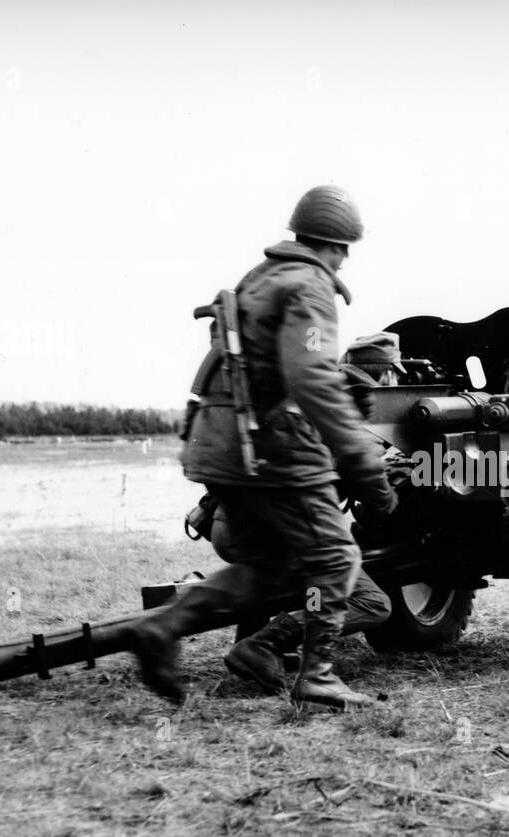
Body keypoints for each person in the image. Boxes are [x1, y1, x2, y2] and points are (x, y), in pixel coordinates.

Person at [129, 185, 397, 709]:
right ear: (337, 244)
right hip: (271, 450)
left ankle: (162, 627)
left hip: (219, 447)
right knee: (337, 558)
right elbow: (313, 380)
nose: (344, 259)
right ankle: (317, 677)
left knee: (268, 571)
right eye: (344, 249)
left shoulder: (261, 279)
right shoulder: (309, 286)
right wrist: (368, 467)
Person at [217, 331, 407, 694]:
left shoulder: (311, 393)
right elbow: (375, 504)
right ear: (385, 374)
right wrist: (389, 476)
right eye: (395, 375)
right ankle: (264, 643)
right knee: (372, 604)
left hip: (233, 525)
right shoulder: (354, 411)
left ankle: (251, 648)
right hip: (286, 532)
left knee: (286, 577)